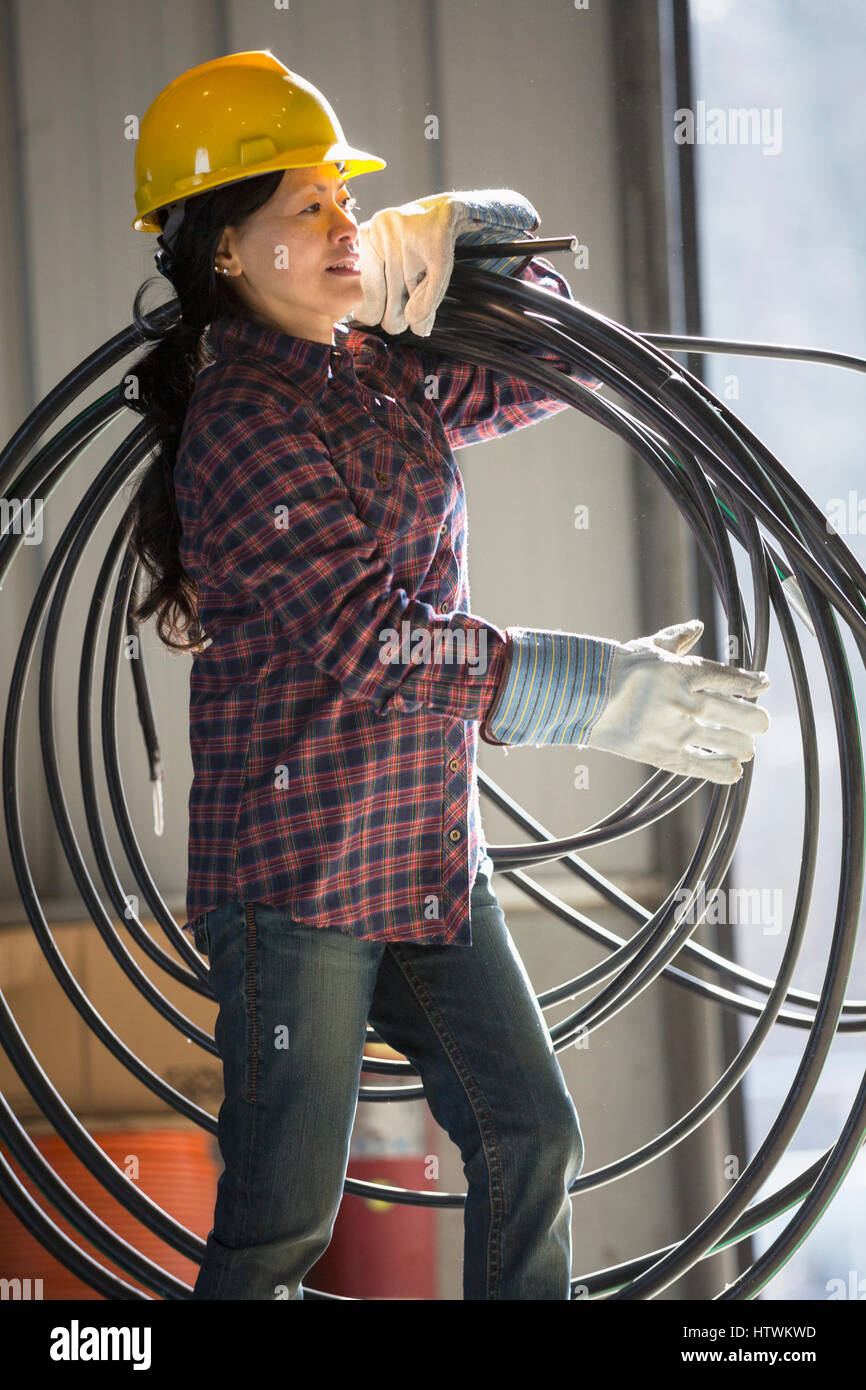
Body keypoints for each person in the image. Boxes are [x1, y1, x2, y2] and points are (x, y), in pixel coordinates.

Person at [123, 51, 771, 1301]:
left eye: (342, 199)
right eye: (298, 210)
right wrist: (592, 690)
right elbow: (377, 642)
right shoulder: (245, 422)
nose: (337, 227)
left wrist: (467, 223)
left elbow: (554, 361)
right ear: (222, 252)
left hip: (421, 855)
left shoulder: (381, 369)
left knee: (533, 1136)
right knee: (278, 1231)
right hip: (298, 883)